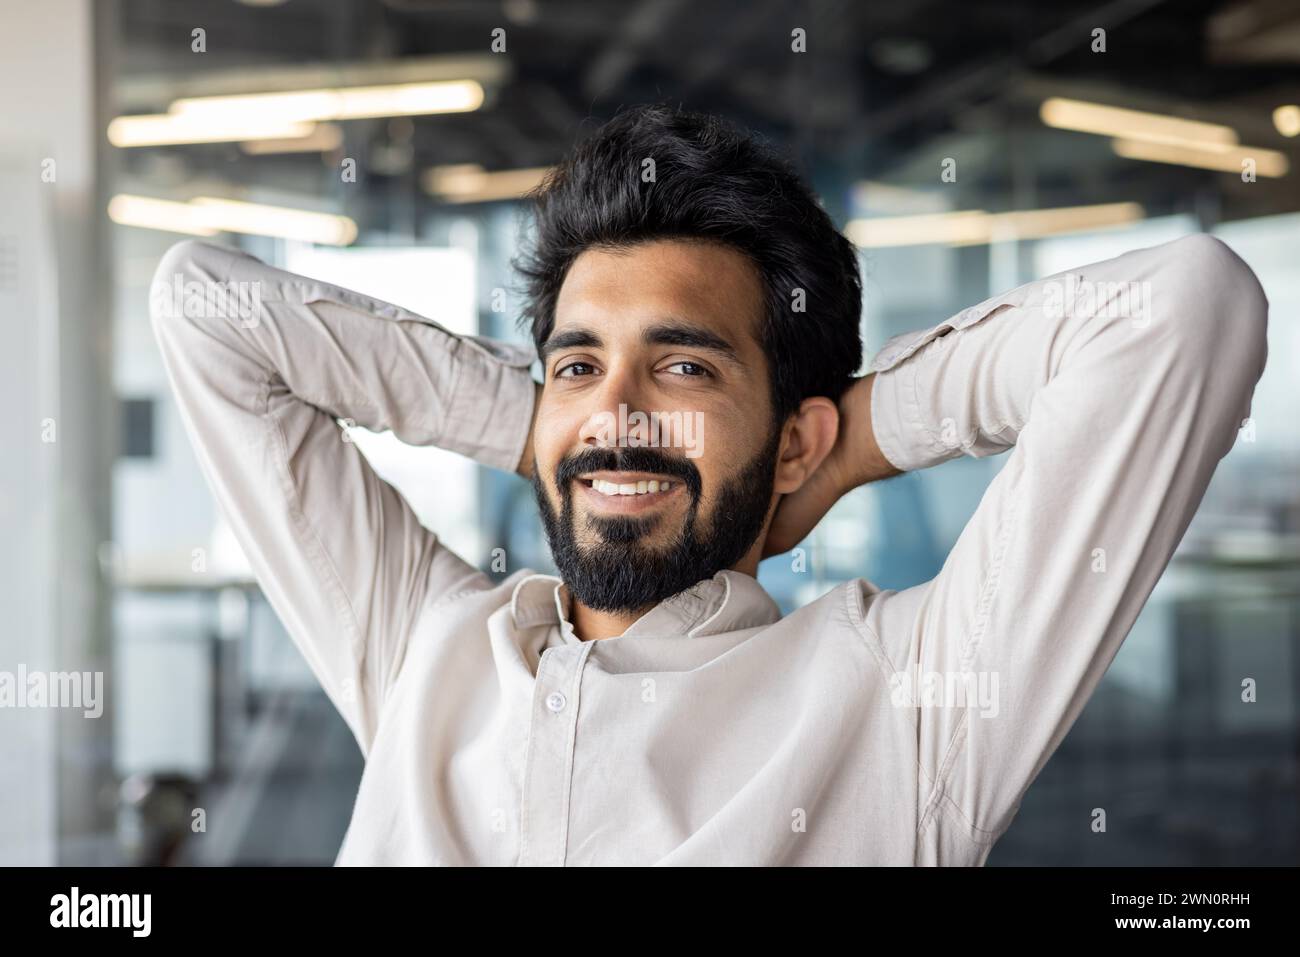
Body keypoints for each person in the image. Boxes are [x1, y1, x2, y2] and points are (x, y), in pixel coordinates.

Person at [149, 103, 1268, 865]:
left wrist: (851, 442)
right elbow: (206, 312)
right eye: (580, 360)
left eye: (684, 365)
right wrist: (556, 424)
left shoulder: (904, 705)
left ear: (791, 440)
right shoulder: (423, 648)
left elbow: (1181, 311)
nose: (621, 406)